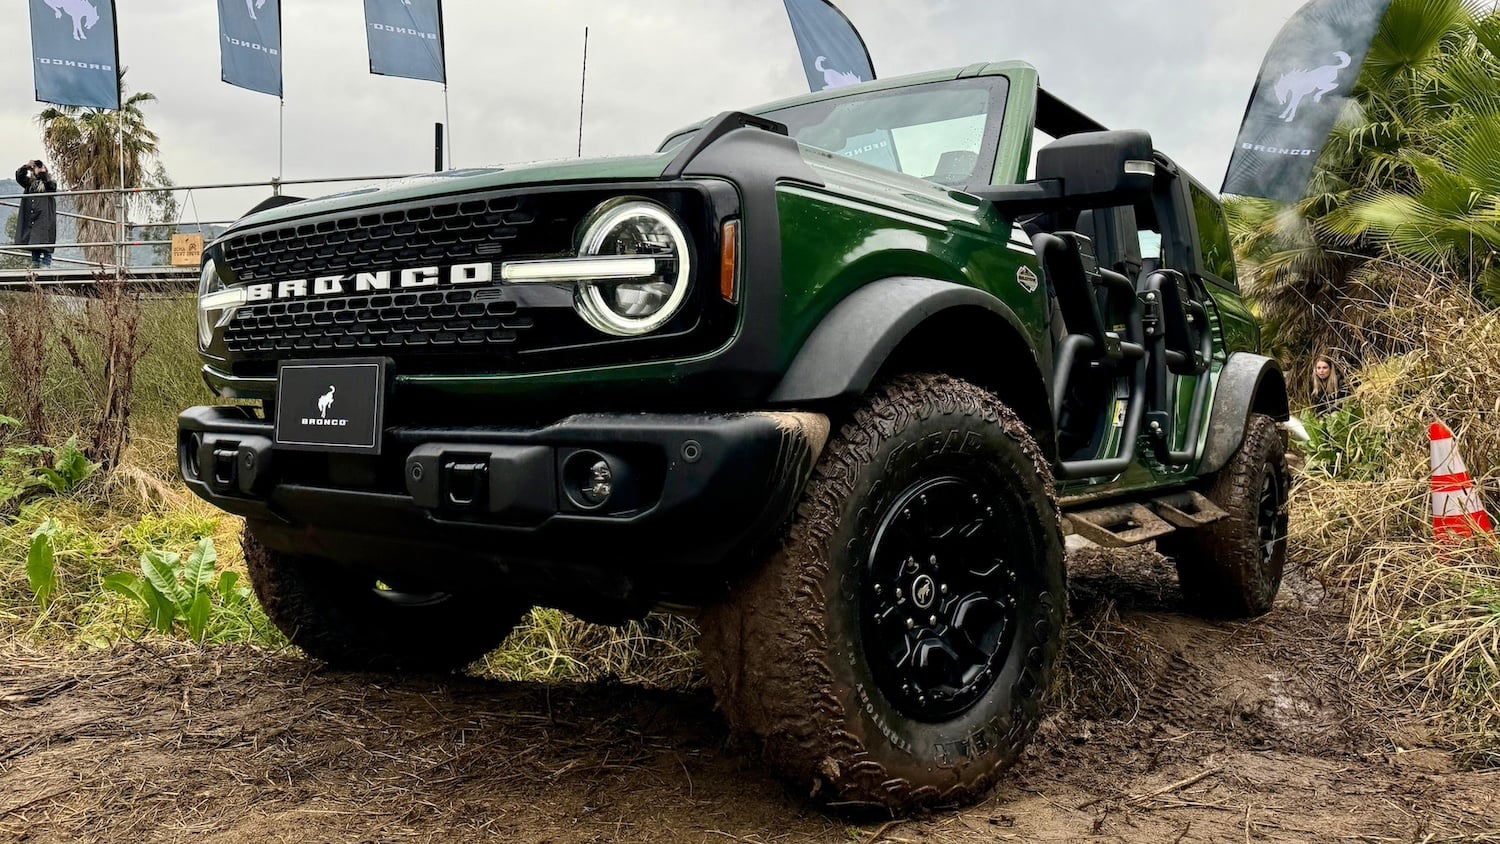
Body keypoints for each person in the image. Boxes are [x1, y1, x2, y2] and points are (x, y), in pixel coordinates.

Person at [14, 159, 58, 269]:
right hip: (33, 217)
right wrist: (27, 167)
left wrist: (42, 173)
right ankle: (35, 262)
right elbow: (19, 176)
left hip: (45, 217)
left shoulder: (49, 183)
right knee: (34, 239)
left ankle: (46, 264)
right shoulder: (30, 184)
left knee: (45, 239)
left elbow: (50, 186)